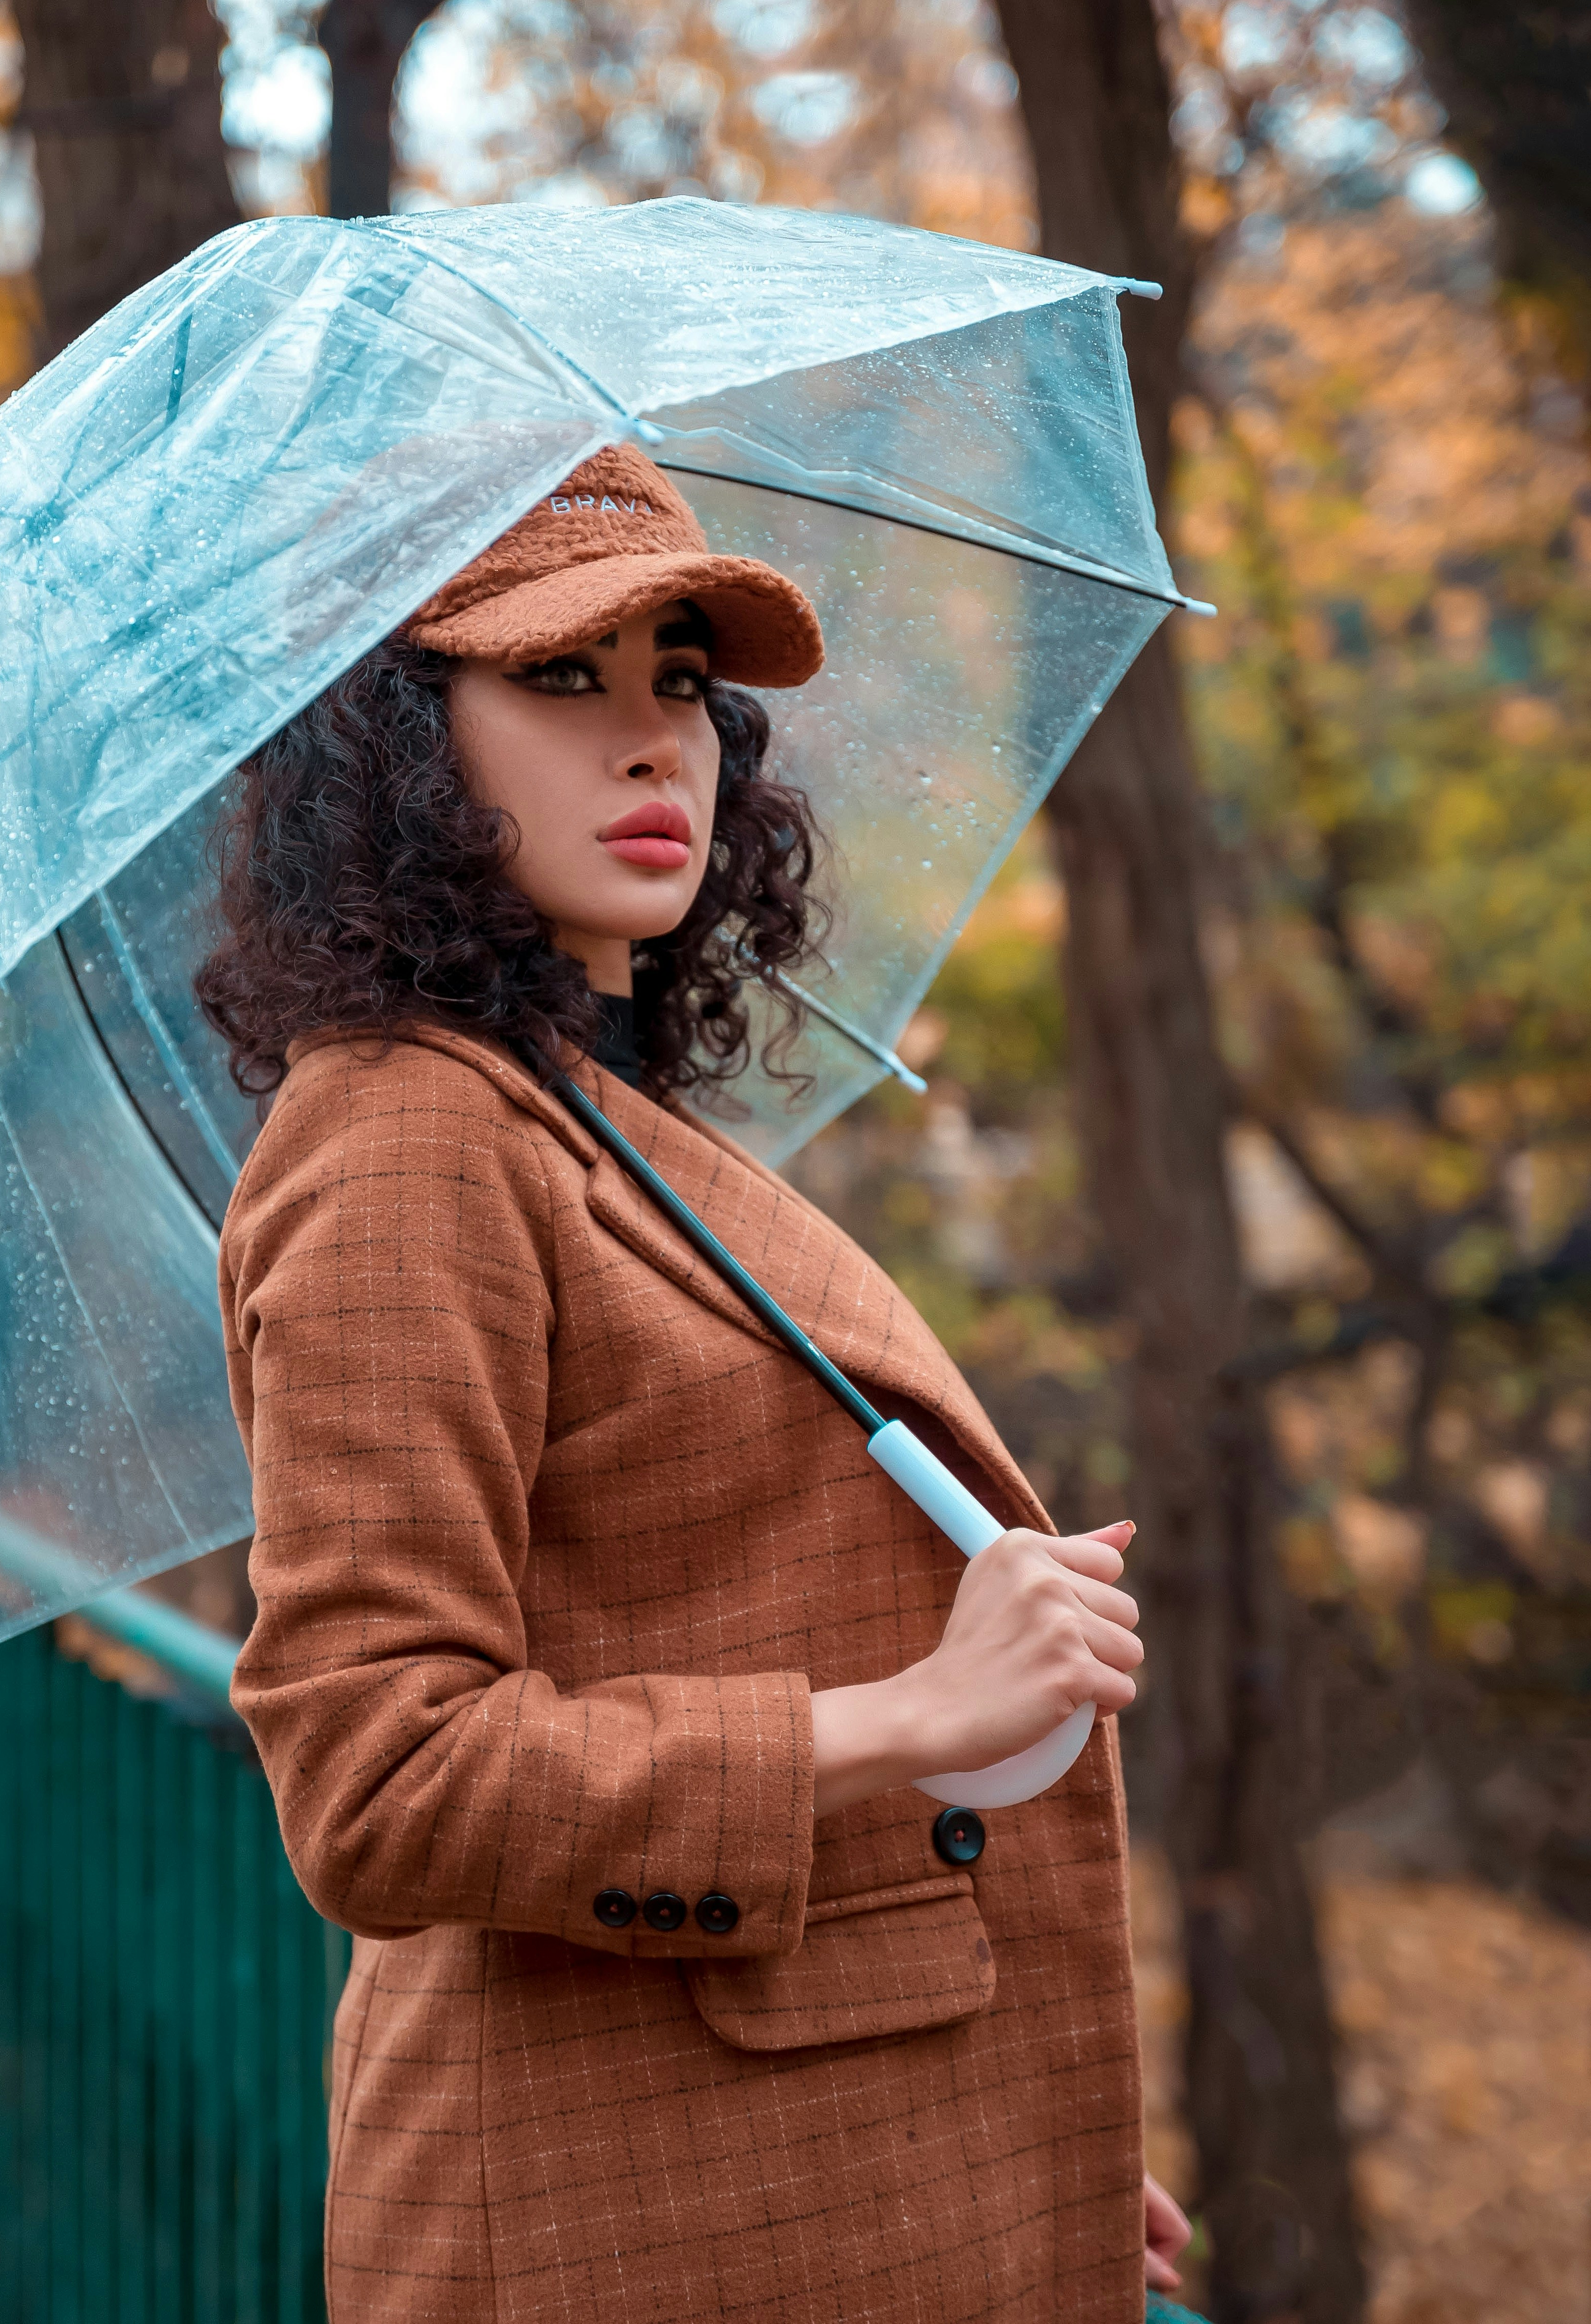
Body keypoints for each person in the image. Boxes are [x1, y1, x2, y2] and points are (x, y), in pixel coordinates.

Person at [198, 445, 1197, 2323]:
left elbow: (700, 1585)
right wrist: (911, 1711)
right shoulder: (409, 1139)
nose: (652, 743)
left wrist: (1011, 2102)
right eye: (561, 680)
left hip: (807, 2161)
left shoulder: (576, 1108)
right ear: (398, 749)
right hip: (620, 2219)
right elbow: (382, 1780)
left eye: (681, 682)